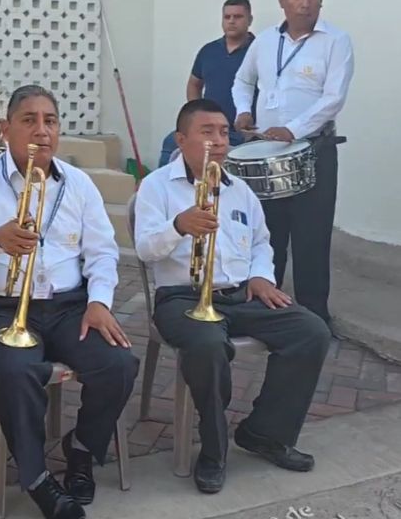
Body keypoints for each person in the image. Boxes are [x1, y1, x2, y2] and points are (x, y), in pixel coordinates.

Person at [0, 85, 138, 519]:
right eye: (29, 120)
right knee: (16, 369)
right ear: (6, 128)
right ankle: (37, 478)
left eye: (50, 121)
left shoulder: (79, 183)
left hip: (67, 306)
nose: (41, 131)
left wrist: (99, 301)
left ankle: (82, 448)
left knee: (119, 362)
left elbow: (102, 252)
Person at [134, 99, 332, 494]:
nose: (219, 141)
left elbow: (262, 242)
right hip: (181, 298)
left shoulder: (240, 190)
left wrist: (261, 277)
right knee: (207, 345)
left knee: (311, 331)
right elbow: (144, 249)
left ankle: (265, 432)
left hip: (238, 296)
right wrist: (178, 225)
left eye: (224, 132)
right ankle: (213, 446)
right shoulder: (156, 186)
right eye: (207, 131)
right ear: (182, 138)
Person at [232, 0, 354, 324]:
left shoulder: (336, 41)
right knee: (267, 233)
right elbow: (243, 81)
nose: (305, 3)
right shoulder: (266, 41)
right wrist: (242, 112)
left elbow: (333, 98)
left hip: (314, 150)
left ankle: (314, 318)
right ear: (282, 0)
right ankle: (267, 311)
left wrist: (294, 129)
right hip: (267, 154)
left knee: (311, 238)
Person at [159, 0, 255, 167]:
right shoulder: (208, 51)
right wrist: (197, 115)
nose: (232, 21)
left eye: (238, 17)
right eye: (227, 17)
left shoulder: (259, 50)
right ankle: (161, 189)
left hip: (242, 134)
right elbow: (194, 84)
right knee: (171, 142)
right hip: (209, 129)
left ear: (250, 20)